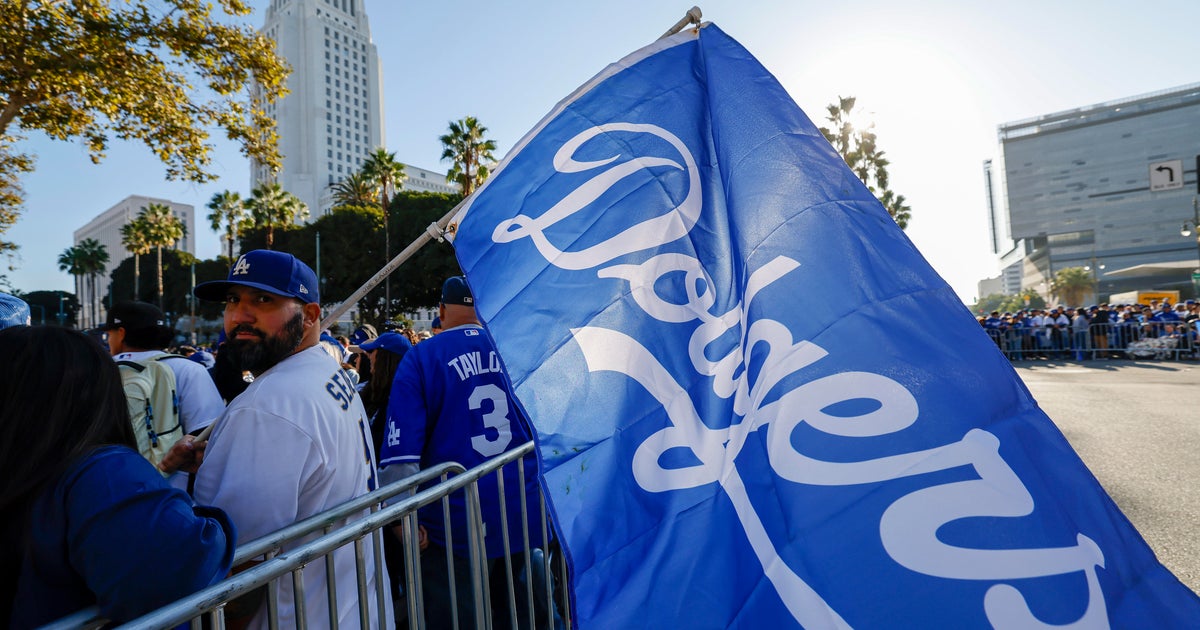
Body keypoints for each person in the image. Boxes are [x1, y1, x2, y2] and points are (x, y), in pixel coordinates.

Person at [167, 249, 391, 629]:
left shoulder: (267, 407)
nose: (240, 315)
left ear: (310, 316)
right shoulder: (324, 369)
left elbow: (236, 581)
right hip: (349, 609)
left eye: (263, 300)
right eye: (233, 300)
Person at [0, 326, 234, 628]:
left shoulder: (33, 467)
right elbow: (175, 570)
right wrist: (212, 524)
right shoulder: (103, 471)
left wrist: (164, 471)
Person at [378, 276, 549, 630]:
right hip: (523, 509)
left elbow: (401, 455)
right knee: (528, 617)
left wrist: (398, 518)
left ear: (441, 310)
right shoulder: (515, 347)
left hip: (452, 524)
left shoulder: (422, 357)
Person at [99, 300, 225, 489]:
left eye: (109, 334)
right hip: (170, 490)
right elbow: (208, 436)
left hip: (107, 484)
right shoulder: (189, 369)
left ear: (121, 333)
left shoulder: (97, 371)